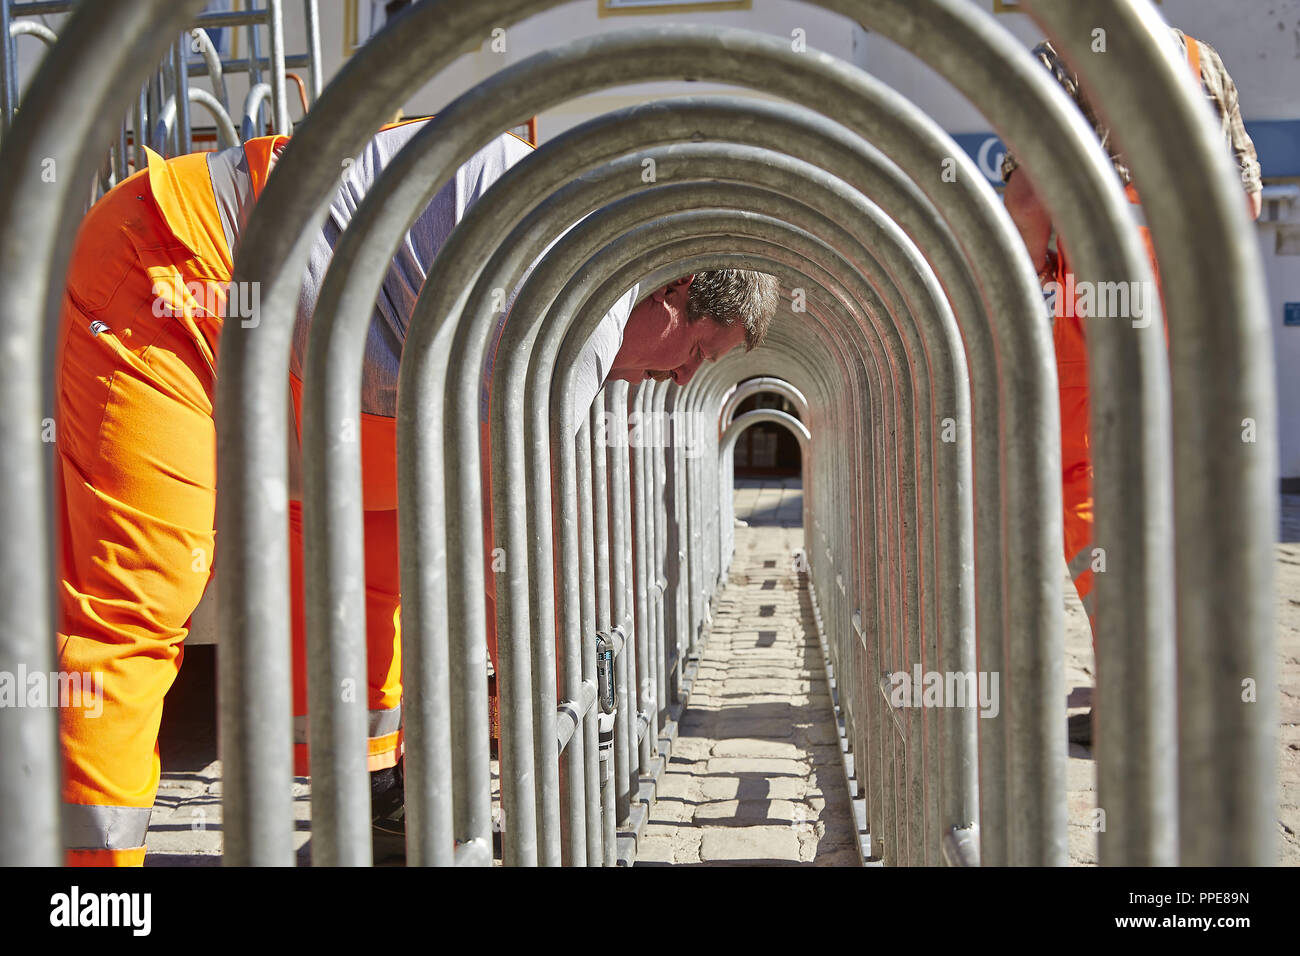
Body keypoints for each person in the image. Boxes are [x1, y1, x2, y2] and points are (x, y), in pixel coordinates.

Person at [54, 117, 777, 865]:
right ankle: (89, 876)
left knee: (382, 553)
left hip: (316, 343)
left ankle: (372, 800)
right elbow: (512, 534)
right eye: (695, 351)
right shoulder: (583, 300)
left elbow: (492, 513)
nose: (685, 377)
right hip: (174, 272)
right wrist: (551, 698)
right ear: (675, 288)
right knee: (139, 593)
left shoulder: (584, 250)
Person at [1001, 29, 1261, 745]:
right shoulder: (1201, 58)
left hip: (1097, 285)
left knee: (1089, 482)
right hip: (1193, 289)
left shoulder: (1060, 58)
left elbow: (1028, 200)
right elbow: (1248, 201)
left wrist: (1028, 288)